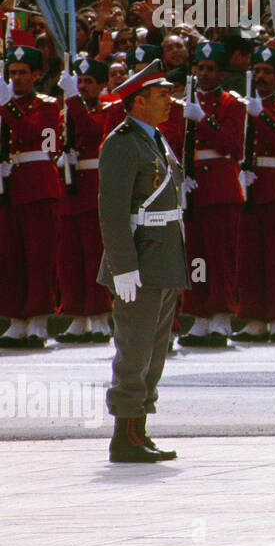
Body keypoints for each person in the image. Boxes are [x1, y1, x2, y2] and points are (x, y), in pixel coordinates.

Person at [96, 59, 188, 463]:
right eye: (161, 94)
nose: (170, 100)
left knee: (155, 348)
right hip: (138, 261)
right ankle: (125, 435)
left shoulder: (156, 138)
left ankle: (140, 429)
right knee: (134, 348)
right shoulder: (122, 142)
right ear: (138, 102)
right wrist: (123, 267)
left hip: (164, 257)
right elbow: (113, 211)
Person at [175, 42, 245, 347]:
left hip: (219, 187)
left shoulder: (232, 104)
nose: (204, 74)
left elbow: (232, 145)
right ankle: (200, 314)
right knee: (196, 258)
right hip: (192, 189)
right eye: (200, 68)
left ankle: (221, 316)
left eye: (211, 69)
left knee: (220, 256)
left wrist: (202, 119)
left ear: (221, 73)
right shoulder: (180, 106)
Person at [231, 46, 275, 343]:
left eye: (268, 72)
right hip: (247, 184)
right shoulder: (241, 107)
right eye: (256, 71)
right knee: (249, 257)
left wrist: (263, 118)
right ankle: (254, 316)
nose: (261, 77)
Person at [0, 43, 63, 348]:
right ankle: (16, 317)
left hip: (38, 186)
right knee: (10, 255)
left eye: (23, 73)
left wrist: (7, 106)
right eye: (11, 73)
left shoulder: (47, 105)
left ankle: (38, 319)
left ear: (36, 75)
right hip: (8, 186)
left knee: (39, 256)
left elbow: (35, 135)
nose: (16, 79)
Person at [55, 57, 114, 344]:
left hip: (94, 190)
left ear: (101, 85)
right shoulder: (67, 110)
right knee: (70, 258)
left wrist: (73, 100)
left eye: (88, 82)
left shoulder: (109, 109)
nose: (82, 87)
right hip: (70, 189)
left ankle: (100, 316)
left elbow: (93, 129)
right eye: (79, 82)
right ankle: (77, 316)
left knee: (94, 256)